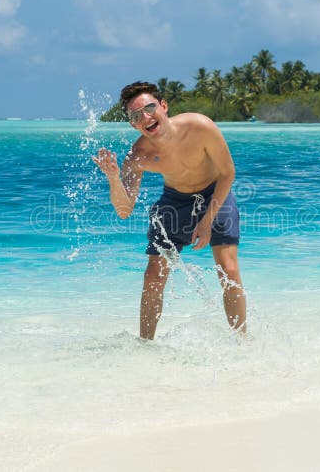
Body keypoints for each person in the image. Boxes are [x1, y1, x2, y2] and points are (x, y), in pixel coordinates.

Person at [92, 81, 247, 340]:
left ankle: (243, 342)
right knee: (153, 274)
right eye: (136, 116)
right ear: (133, 124)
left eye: (150, 108)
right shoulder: (137, 155)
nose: (145, 117)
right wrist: (113, 177)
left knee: (229, 271)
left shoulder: (200, 126)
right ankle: (145, 345)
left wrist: (207, 221)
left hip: (214, 194)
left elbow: (227, 173)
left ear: (164, 107)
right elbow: (123, 210)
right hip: (174, 202)